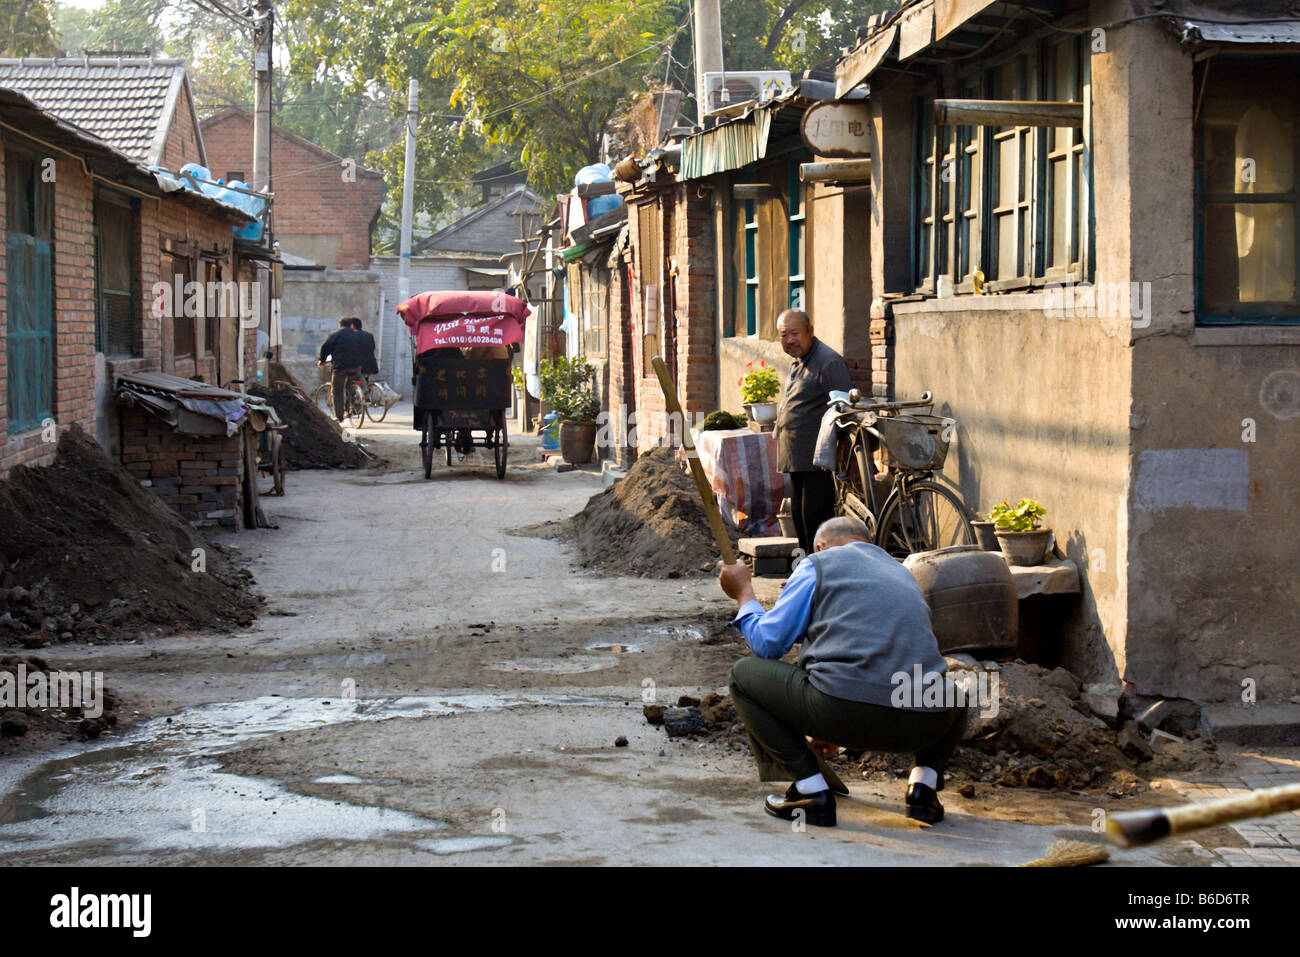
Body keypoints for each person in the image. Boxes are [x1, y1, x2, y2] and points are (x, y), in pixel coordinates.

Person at [717, 516, 968, 827]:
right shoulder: (903, 573)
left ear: (820, 546)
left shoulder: (818, 563)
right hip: (924, 721)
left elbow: (767, 643)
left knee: (744, 676)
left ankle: (812, 793)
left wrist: (743, 593)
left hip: (843, 710)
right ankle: (922, 791)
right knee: (955, 694)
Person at [773, 309, 853, 553]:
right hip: (797, 460)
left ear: (810, 331)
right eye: (784, 335)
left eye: (795, 333)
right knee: (799, 520)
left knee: (816, 523)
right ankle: (806, 574)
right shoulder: (799, 363)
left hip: (818, 462)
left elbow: (844, 410)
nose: (789, 340)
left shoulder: (828, 362)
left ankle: (821, 577)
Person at [318, 318, 367, 422]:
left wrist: (322, 360)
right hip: (356, 365)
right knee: (354, 382)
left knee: (337, 390)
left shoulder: (335, 335)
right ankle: (356, 404)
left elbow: (325, 348)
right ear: (351, 325)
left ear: (340, 325)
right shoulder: (357, 335)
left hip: (341, 366)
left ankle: (339, 416)